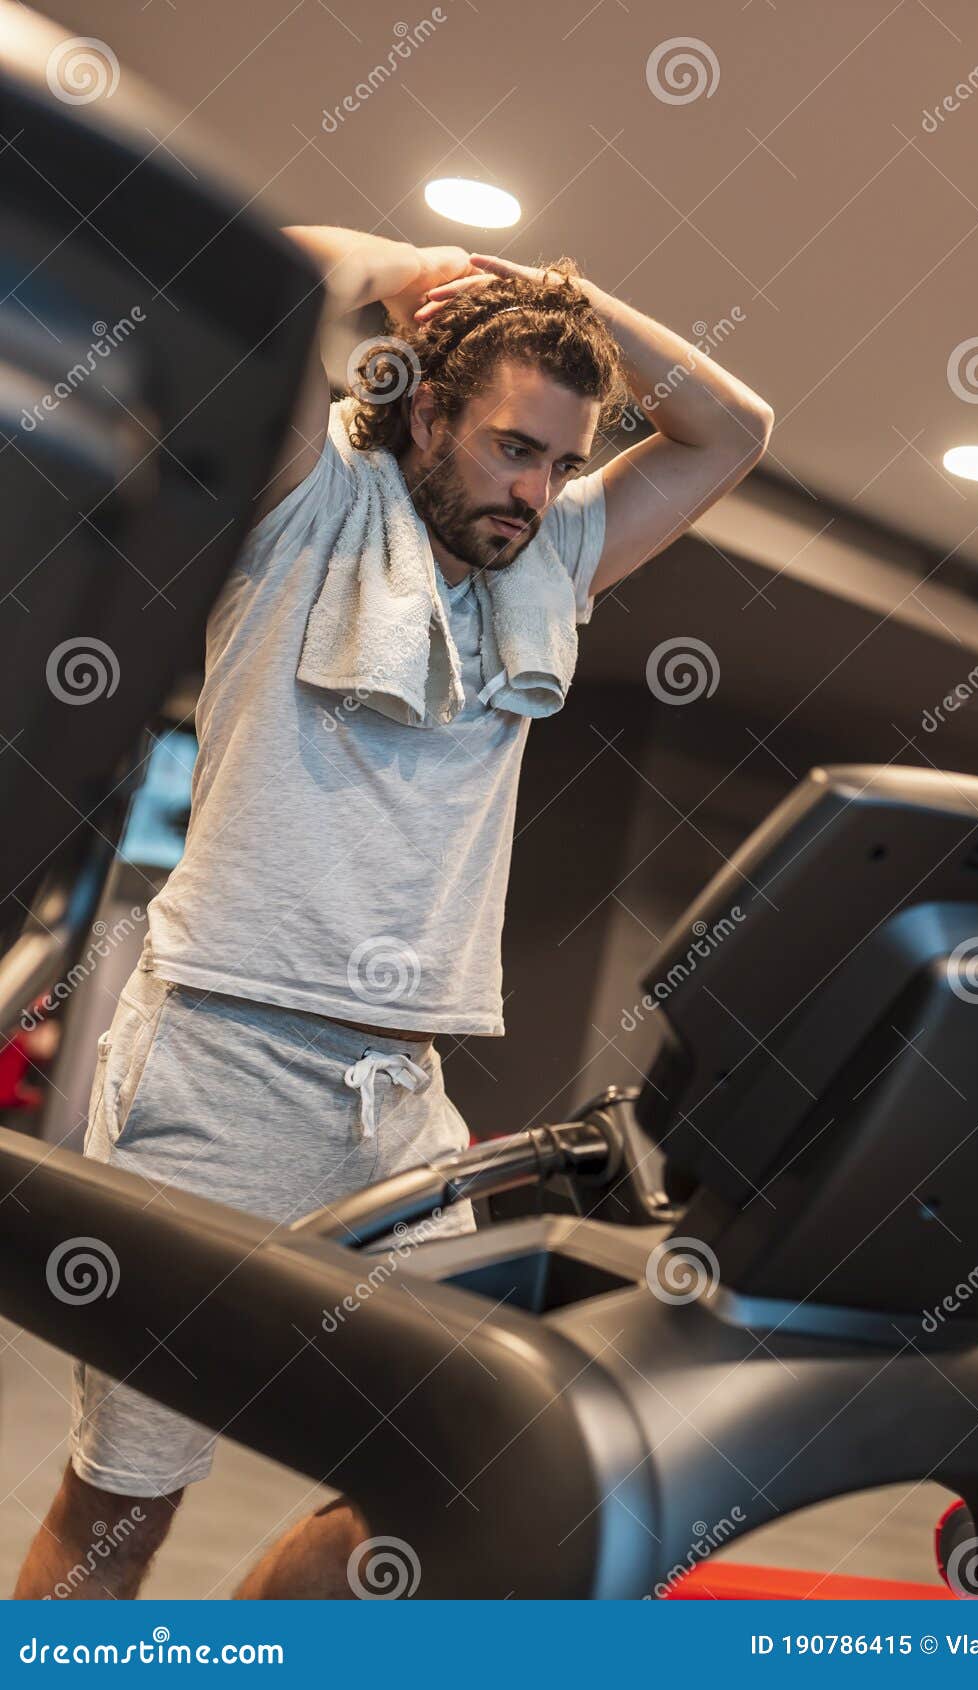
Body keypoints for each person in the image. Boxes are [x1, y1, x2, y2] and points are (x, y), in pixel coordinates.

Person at [15, 230, 773, 1599]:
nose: (538, 490)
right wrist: (415, 262)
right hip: (218, 1066)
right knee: (126, 1501)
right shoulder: (309, 504)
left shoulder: (558, 555)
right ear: (427, 408)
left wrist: (566, 290)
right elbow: (237, 277)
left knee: (463, 1470)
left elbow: (734, 428)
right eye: (510, 449)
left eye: (559, 458)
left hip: (401, 1099)